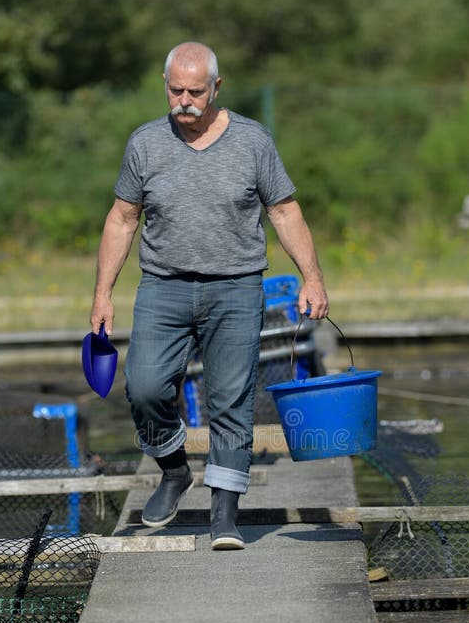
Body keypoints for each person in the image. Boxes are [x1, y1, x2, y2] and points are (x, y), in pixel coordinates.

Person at [90, 41, 328, 550]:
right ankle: (174, 471)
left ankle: (224, 515)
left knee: (231, 401)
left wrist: (312, 277)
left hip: (236, 287)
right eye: (175, 89)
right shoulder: (145, 144)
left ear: (216, 88)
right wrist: (102, 294)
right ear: (165, 84)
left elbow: (284, 212)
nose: (184, 100)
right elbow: (122, 219)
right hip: (163, 286)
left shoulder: (253, 142)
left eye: (195, 91)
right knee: (146, 386)